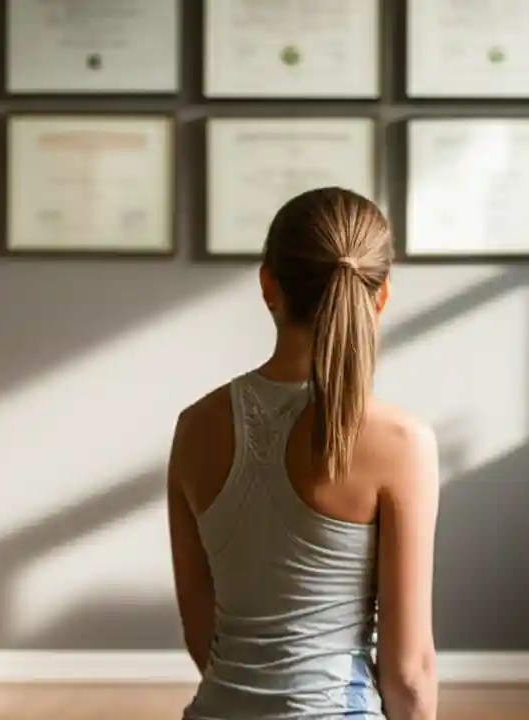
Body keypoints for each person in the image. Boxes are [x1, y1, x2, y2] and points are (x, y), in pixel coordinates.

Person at [168, 187, 441, 719]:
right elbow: (409, 673)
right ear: (381, 295)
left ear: (268, 284)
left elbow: (201, 633)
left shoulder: (195, 426)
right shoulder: (401, 442)